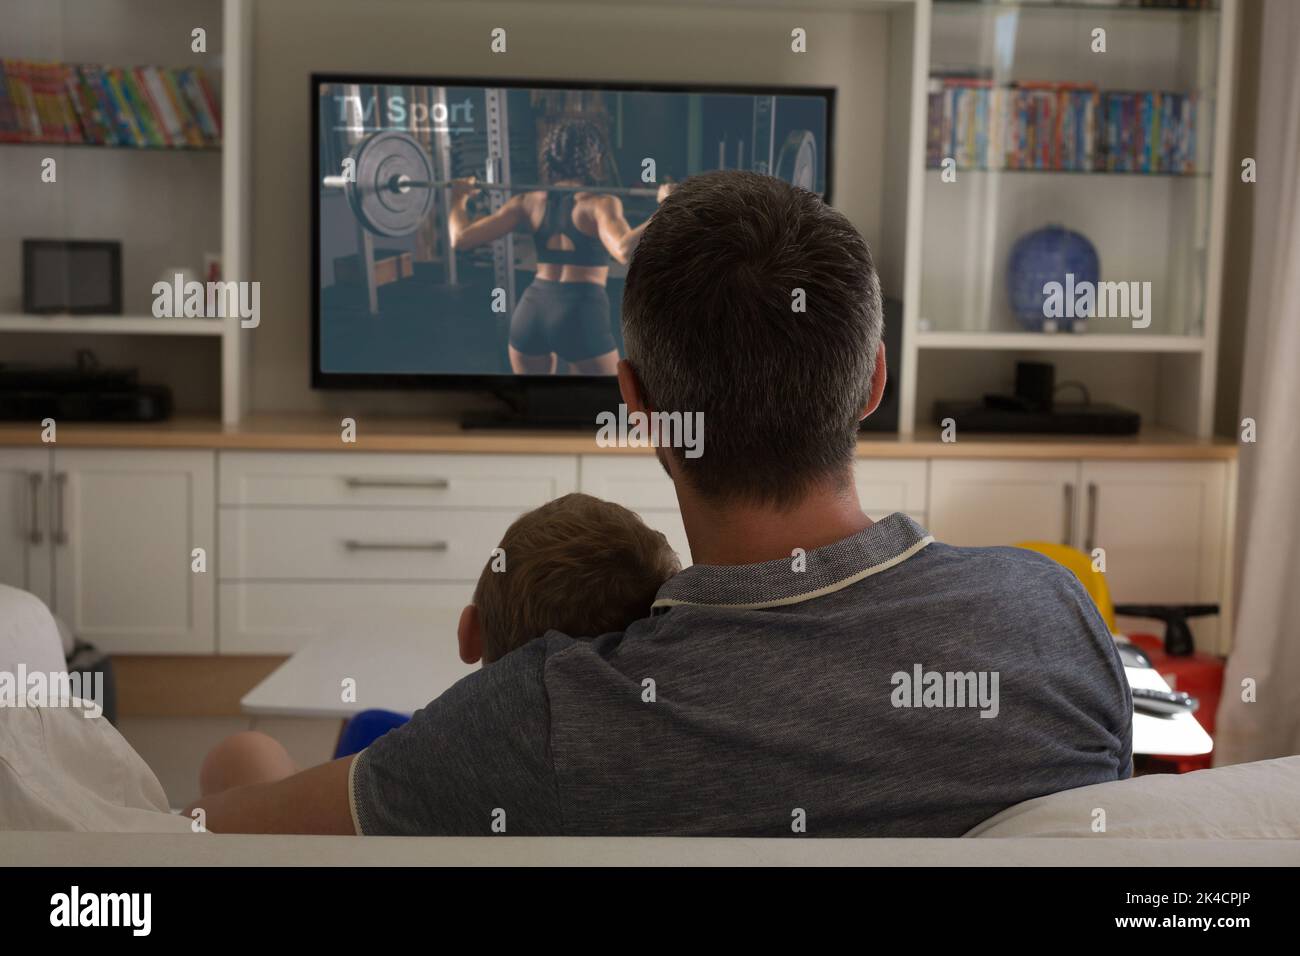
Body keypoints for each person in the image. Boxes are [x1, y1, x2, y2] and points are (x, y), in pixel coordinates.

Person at [189, 170, 1132, 837]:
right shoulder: (1054, 617)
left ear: (635, 400)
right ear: (874, 379)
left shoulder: (546, 717)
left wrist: (248, 764)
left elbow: (207, 835)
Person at [195, 493, 679, 802]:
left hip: (376, 799)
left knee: (246, 752)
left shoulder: (426, 764)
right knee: (371, 723)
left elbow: (217, 819)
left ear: (470, 633)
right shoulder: (667, 767)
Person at [447, 118, 671, 375]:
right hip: (581, 311)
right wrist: (666, 206)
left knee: (534, 407)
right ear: (594, 159)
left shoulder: (527, 202)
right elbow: (623, 251)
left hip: (532, 311)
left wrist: (458, 197)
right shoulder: (600, 204)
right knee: (600, 409)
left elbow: (460, 238)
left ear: (550, 158)